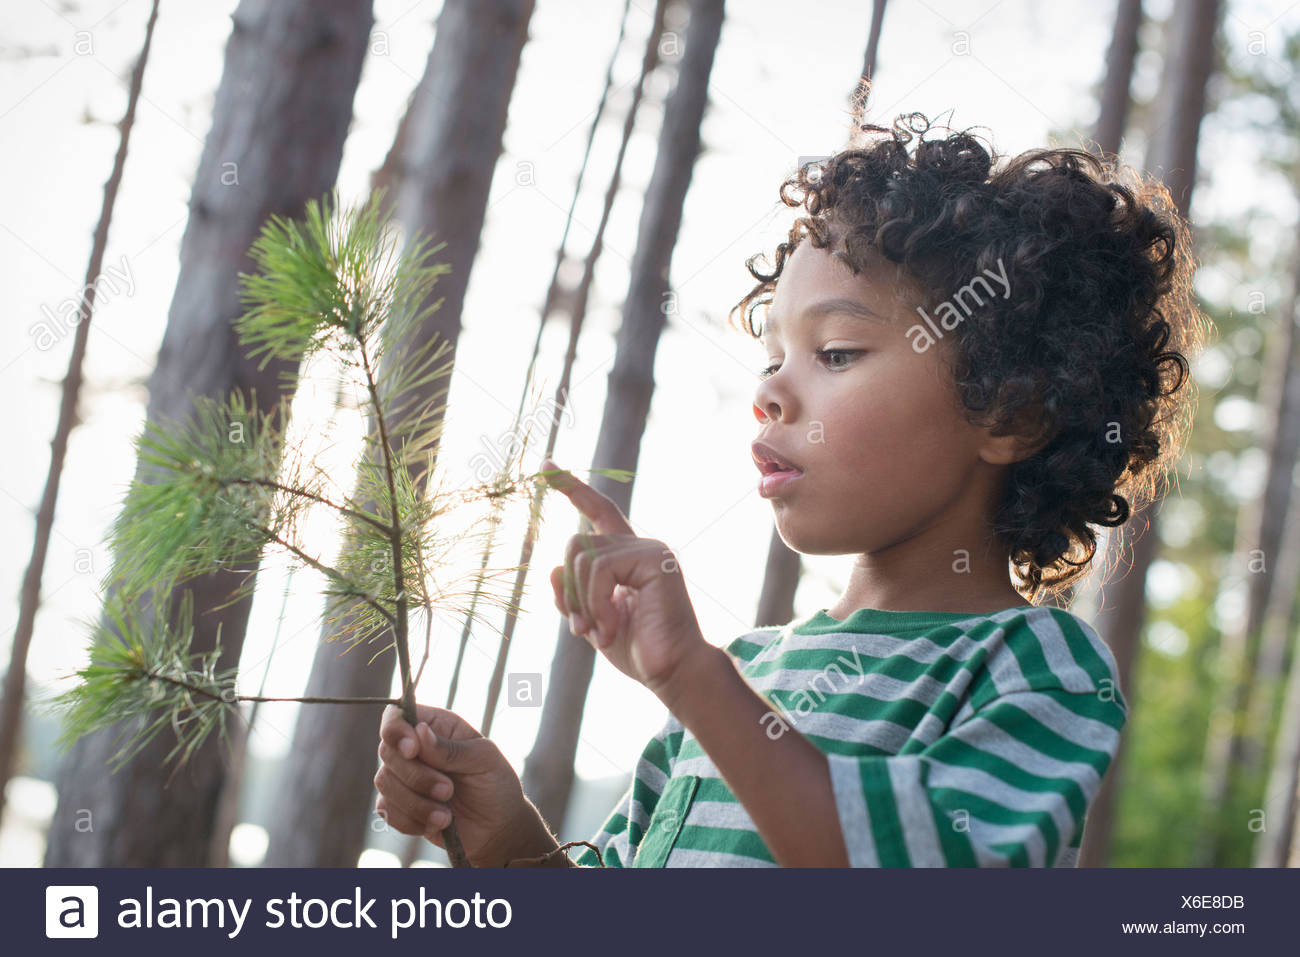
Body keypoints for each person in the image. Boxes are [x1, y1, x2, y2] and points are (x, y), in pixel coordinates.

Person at [373, 111, 1209, 867]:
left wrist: (694, 680)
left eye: (837, 352)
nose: (770, 391)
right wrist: (505, 839)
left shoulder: (1034, 668)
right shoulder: (745, 674)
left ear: (1009, 413)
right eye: (773, 354)